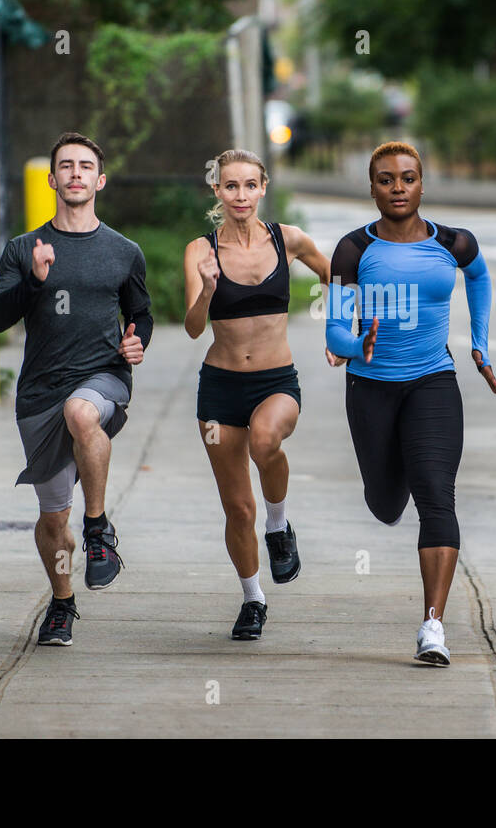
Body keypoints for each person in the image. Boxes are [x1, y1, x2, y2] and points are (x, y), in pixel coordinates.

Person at [325, 141, 496, 666]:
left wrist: (480, 342)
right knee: (385, 505)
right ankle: (397, 467)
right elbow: (336, 333)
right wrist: (359, 345)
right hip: (371, 388)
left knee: (435, 494)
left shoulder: (453, 242)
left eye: (407, 178)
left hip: (433, 381)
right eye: (386, 179)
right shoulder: (352, 250)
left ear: (422, 184)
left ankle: (433, 625)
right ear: (372, 186)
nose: (397, 188)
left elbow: (480, 276)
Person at [0, 132, 153, 646]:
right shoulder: (23, 249)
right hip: (39, 390)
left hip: (102, 377)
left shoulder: (123, 251)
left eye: (86, 166)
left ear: (99, 180)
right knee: (53, 518)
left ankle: (99, 530)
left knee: (83, 415)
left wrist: (136, 343)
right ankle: (62, 604)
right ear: (52, 179)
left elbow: (141, 314)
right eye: (67, 166)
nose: (76, 173)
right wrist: (34, 280)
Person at [183, 149, 332, 641]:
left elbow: (337, 276)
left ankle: (279, 524)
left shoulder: (287, 239)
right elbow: (191, 328)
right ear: (217, 192)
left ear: (263, 187)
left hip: (276, 381)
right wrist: (206, 289)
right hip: (220, 388)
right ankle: (253, 599)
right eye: (230, 186)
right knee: (236, 509)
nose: (240, 195)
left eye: (249, 185)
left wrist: (346, 332)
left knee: (267, 440)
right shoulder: (199, 251)